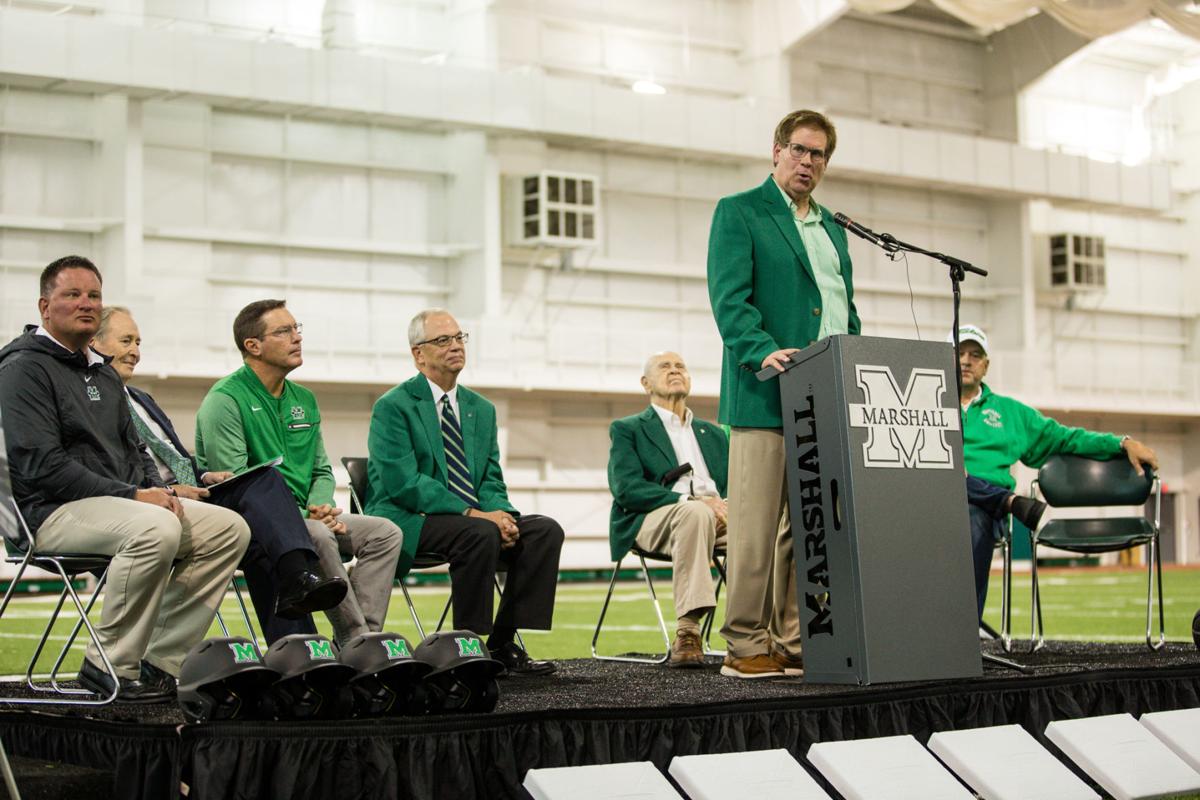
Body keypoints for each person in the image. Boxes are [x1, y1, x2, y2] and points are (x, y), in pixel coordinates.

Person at [0, 256, 250, 702]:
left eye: (93, 295)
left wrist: (164, 490)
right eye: (72, 295)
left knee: (228, 529)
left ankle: (160, 660)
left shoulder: (102, 372)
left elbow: (135, 450)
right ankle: (108, 665)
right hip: (49, 512)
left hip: (116, 504)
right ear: (44, 306)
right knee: (155, 527)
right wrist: (136, 495)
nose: (86, 303)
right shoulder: (23, 369)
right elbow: (43, 465)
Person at [706, 109, 859, 678]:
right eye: (798, 150)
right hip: (764, 394)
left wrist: (854, 360)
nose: (807, 162)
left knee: (807, 525)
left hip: (823, 396)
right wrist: (759, 348)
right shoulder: (740, 212)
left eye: (818, 154)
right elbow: (729, 299)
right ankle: (745, 645)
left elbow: (842, 306)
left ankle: (794, 642)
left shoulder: (834, 228)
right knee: (752, 526)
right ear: (776, 151)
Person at [91, 306, 346, 644]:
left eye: (138, 341)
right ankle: (298, 604)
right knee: (263, 508)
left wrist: (203, 473)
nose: (135, 351)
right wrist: (166, 489)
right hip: (151, 502)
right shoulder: (93, 401)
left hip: (197, 494)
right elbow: (111, 465)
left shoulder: (142, 398)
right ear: (94, 343)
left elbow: (173, 456)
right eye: (126, 340)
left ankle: (297, 653)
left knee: (263, 491)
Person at [365, 309, 563, 676]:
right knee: (479, 532)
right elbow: (404, 483)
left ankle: (502, 644)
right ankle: (466, 647)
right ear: (418, 354)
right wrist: (476, 515)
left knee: (544, 530)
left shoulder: (481, 409)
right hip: (408, 517)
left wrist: (503, 515)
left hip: (472, 520)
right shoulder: (393, 406)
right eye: (443, 340)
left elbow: (489, 476)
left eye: (459, 338)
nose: (455, 345)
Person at [194, 300, 403, 646]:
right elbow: (239, 486)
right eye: (284, 331)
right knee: (318, 535)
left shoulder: (303, 398)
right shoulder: (225, 400)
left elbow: (322, 468)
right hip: (260, 527)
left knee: (385, 533)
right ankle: (355, 640)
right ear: (253, 346)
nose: (297, 338)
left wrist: (321, 505)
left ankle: (364, 635)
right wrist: (311, 517)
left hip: (311, 518)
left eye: (297, 329)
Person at [957, 323, 1159, 618]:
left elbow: (1066, 438)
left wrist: (1121, 442)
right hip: (933, 499)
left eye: (975, 355)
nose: (965, 360)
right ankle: (1005, 500)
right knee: (943, 479)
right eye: (959, 352)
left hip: (980, 514)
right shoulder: (925, 404)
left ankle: (961, 637)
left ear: (986, 366)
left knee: (972, 518)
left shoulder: (1010, 413)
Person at [608, 351, 729, 668]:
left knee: (771, 522)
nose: (675, 370)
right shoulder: (628, 428)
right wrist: (690, 500)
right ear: (646, 383)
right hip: (653, 518)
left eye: (681, 366)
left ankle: (763, 631)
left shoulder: (714, 434)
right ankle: (688, 630)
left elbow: (733, 485)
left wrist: (733, 505)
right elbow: (626, 488)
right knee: (696, 513)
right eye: (665, 366)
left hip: (718, 516)